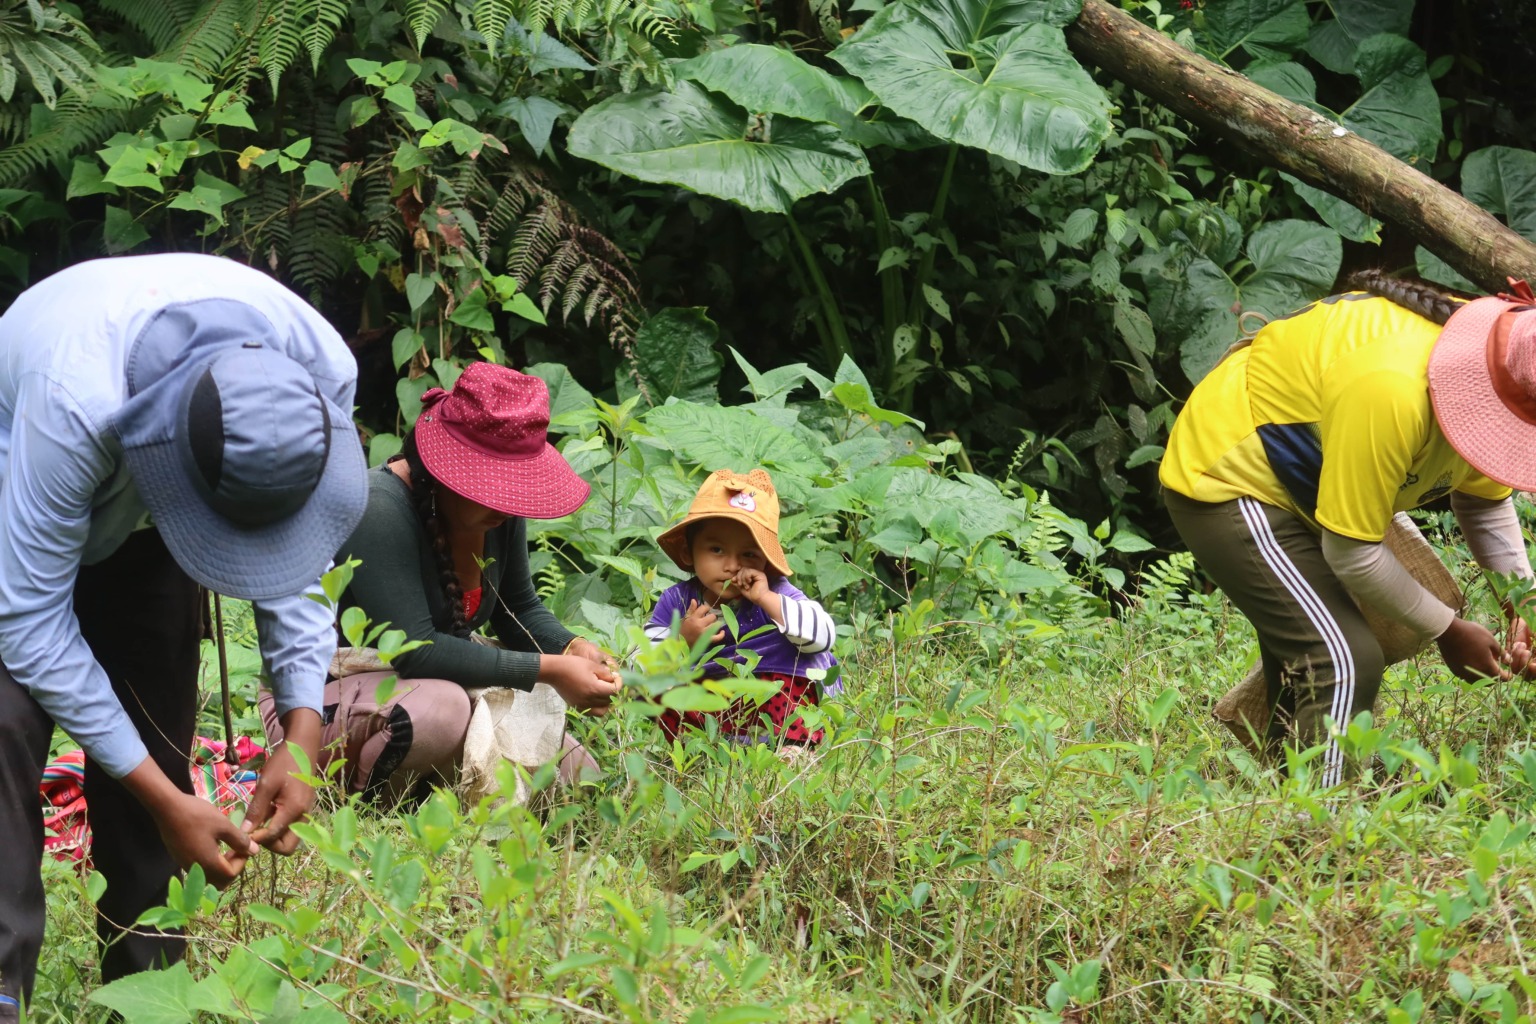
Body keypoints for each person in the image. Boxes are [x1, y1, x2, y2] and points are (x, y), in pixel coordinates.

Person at [0, 253, 367, 1018]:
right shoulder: (73, 396)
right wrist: (168, 802)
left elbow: (291, 541)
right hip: (18, 484)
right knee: (3, 730)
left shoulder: (318, 363)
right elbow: (29, 621)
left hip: (140, 504)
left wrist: (302, 733)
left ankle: (149, 993)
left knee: (154, 713)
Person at [1159, 271, 1536, 785]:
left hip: (1320, 469)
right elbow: (1354, 553)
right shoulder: (1393, 388)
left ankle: (1283, 774)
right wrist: (1448, 630)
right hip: (1237, 471)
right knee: (1342, 659)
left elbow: (1484, 500)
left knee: (1318, 645)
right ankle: (1321, 830)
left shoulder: (1506, 357)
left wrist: (1525, 606)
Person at [260, 363, 621, 800]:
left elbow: (519, 610)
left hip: (437, 688)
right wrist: (552, 671)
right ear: (446, 467)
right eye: (493, 480)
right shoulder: (378, 507)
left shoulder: (500, 510)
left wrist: (571, 647)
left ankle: (432, 794)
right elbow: (418, 650)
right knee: (441, 712)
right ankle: (357, 806)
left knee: (577, 778)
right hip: (320, 705)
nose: (506, 500)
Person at [647, 468, 841, 746]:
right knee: (660, 692)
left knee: (793, 670)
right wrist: (681, 641)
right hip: (714, 710)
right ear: (688, 552)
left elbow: (822, 638)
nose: (732, 565)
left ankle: (791, 748)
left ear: (765, 560)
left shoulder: (776, 592)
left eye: (749, 554)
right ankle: (698, 749)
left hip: (770, 707)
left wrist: (766, 600)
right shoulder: (677, 602)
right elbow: (640, 663)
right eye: (717, 550)